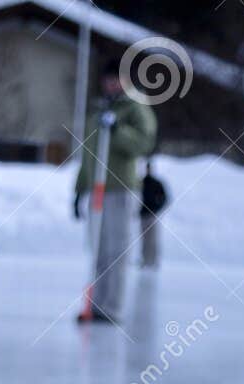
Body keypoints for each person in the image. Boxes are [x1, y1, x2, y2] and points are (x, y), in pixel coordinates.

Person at [73, 58, 157, 324]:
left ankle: (112, 308)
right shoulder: (100, 111)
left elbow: (144, 142)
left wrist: (118, 130)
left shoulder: (135, 107)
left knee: (117, 250)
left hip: (121, 189)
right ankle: (95, 305)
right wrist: (79, 189)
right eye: (107, 80)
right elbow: (89, 154)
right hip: (97, 191)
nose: (111, 84)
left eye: (116, 79)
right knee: (98, 249)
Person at [139, 158, 168, 269]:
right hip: (143, 215)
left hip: (152, 215)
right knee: (144, 239)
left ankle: (153, 261)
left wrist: (157, 208)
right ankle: (144, 260)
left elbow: (165, 198)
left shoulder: (157, 183)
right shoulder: (142, 182)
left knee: (153, 239)